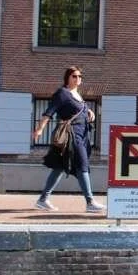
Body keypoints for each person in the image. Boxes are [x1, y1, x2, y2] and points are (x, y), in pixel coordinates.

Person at [32, 66, 105, 213]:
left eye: (80, 76)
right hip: (71, 138)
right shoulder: (63, 93)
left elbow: (78, 109)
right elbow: (48, 113)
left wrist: (89, 111)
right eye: (74, 76)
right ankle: (90, 202)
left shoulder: (77, 95)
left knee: (59, 168)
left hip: (82, 136)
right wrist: (39, 129)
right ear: (67, 78)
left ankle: (42, 200)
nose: (78, 79)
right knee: (82, 165)